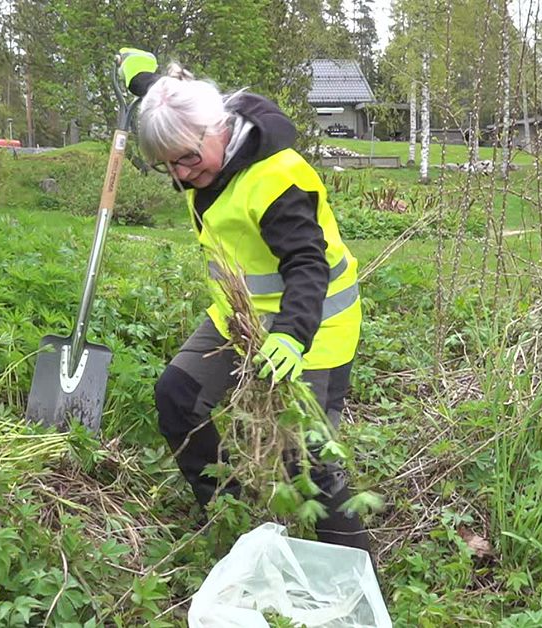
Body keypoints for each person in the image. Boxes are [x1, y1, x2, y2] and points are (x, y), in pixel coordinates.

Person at [118, 48, 371, 552]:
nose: (183, 175)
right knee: (177, 396)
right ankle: (231, 515)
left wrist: (291, 338)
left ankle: (354, 573)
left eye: (189, 159)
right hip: (239, 319)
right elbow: (167, 101)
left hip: (313, 327)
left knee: (308, 458)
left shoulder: (278, 178)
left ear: (220, 128)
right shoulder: (194, 130)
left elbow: (307, 266)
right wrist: (141, 79)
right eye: (167, 166)